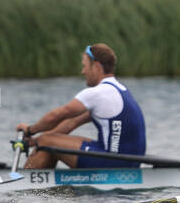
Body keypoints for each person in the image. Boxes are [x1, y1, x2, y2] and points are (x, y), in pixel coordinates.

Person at [18, 44, 146, 169]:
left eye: (85, 66)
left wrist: (30, 130)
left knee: (46, 140)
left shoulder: (98, 93)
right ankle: (43, 182)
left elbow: (55, 116)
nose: (82, 71)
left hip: (113, 163)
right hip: (129, 162)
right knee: (49, 140)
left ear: (96, 66)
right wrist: (35, 141)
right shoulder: (119, 90)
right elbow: (72, 122)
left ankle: (24, 183)